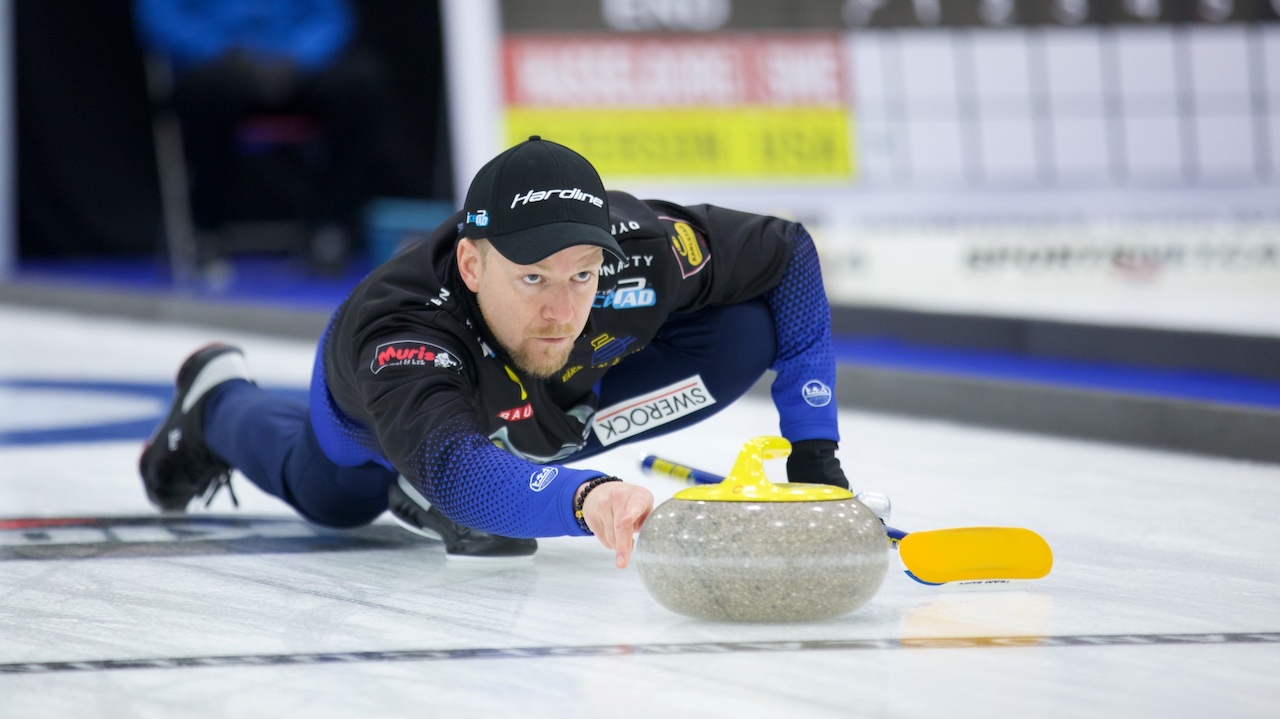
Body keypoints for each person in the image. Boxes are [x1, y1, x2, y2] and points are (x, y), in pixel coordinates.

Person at [139, 137, 848, 569]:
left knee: (744, 334)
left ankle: (520, 455)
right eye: (532, 277)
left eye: (582, 275)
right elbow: (452, 467)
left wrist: (815, 451)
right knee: (335, 500)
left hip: (538, 399)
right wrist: (586, 496)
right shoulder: (403, 333)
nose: (562, 308)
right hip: (386, 417)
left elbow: (788, 252)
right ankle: (218, 399)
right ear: (473, 266)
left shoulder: (644, 252)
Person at [134, 0, 387, 272]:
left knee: (360, 84)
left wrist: (297, 57)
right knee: (209, 92)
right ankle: (206, 230)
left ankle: (329, 229)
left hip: (296, 70)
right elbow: (160, 18)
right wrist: (224, 52)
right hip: (219, 66)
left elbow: (332, 17)